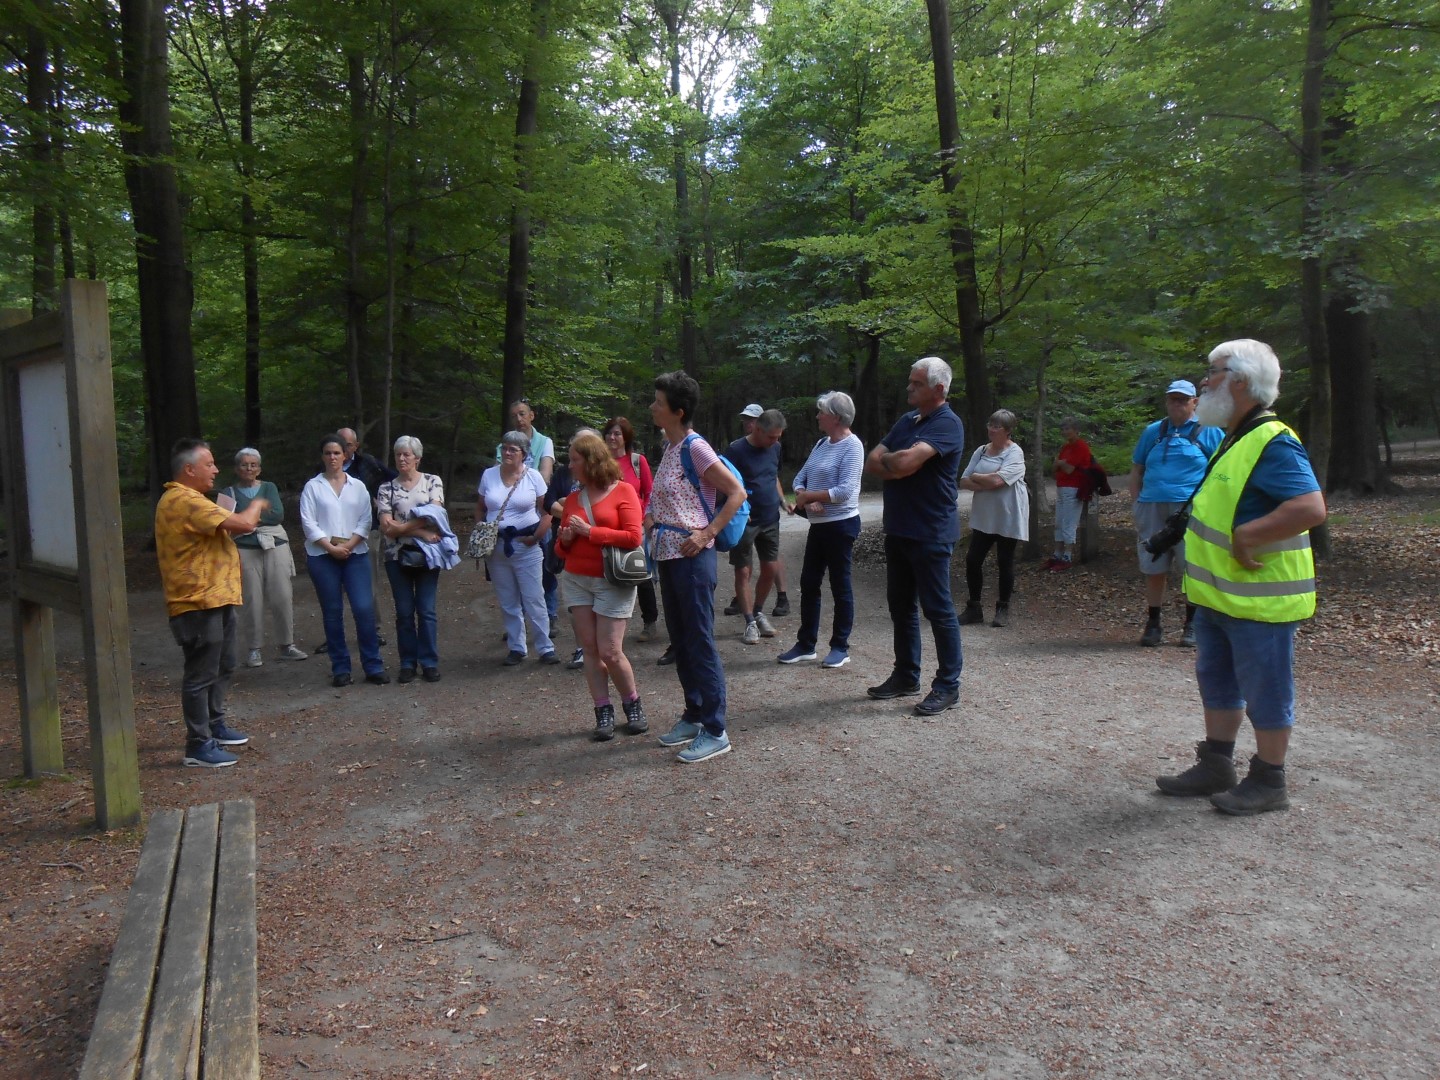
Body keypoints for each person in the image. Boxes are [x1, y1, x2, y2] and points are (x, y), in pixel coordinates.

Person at [1156, 339, 1326, 816]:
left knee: (1266, 690)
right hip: (1219, 598)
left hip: (1259, 602)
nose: (1204, 381)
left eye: (1212, 372)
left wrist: (1248, 535)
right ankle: (1216, 764)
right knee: (1218, 681)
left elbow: (1310, 508)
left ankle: (1270, 781)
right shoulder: (1235, 435)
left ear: (1240, 381)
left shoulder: (1273, 441)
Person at [649, 370, 748, 763]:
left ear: (678, 410)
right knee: (681, 639)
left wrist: (707, 534)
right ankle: (693, 713)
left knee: (700, 639)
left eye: (658, 402)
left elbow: (736, 493)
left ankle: (716, 728)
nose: (652, 407)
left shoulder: (695, 447)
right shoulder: (670, 448)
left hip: (693, 558)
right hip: (669, 556)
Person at [155, 439, 271, 767]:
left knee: (224, 663)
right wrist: (259, 503)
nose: (216, 470)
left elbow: (223, 533)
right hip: (196, 603)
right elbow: (246, 524)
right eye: (209, 464)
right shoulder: (182, 500)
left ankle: (214, 725)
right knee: (200, 673)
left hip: (216, 598)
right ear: (189, 469)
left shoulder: (195, 501)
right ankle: (198, 745)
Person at [863, 357, 967, 716]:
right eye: (910, 381)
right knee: (902, 607)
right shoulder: (908, 421)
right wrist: (899, 462)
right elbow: (873, 461)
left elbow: (900, 463)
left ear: (938, 389)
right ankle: (906, 675)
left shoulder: (948, 424)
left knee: (938, 611)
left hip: (931, 532)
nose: (909, 387)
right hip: (900, 529)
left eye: (917, 383)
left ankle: (948, 686)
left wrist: (896, 463)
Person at [555, 432, 647, 740]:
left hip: (612, 579)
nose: (570, 465)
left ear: (592, 461)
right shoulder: (571, 499)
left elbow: (634, 538)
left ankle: (632, 703)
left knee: (610, 650)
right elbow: (560, 548)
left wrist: (591, 532)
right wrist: (565, 540)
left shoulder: (623, 492)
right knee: (591, 650)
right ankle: (602, 710)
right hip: (576, 580)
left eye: (575, 460)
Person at [1128, 379, 1224, 647]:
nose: (1177, 404)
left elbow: (1220, 472)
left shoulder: (1210, 431)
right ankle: (1153, 622)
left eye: (1183, 399)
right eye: (1173, 399)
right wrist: (1137, 503)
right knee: (1153, 565)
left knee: (1191, 566)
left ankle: (1191, 624)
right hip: (1152, 506)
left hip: (1190, 509)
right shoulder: (1153, 432)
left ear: (1195, 402)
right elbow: (1137, 469)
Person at [776, 391, 864, 668]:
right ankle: (806, 644)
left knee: (840, 585)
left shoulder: (853, 446)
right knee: (809, 583)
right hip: (819, 526)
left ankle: (840, 646)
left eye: (821, 412)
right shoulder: (821, 444)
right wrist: (806, 495)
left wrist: (811, 497)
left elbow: (845, 491)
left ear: (836, 418)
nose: (817, 416)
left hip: (842, 525)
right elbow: (800, 479)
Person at [300, 434, 390, 687]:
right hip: (323, 556)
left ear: (345, 455)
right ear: (322, 457)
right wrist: (330, 548)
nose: (332, 457)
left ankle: (373, 665)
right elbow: (308, 522)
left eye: (337, 453)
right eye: (328, 453)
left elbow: (365, 519)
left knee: (363, 608)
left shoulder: (358, 486)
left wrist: (349, 545)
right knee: (332, 613)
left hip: (355, 554)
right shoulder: (313, 487)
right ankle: (341, 668)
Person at [220, 448, 307, 667]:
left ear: (259, 468)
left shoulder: (269, 487)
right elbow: (224, 520)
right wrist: (252, 518)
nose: (249, 468)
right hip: (244, 549)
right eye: (244, 464)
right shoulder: (227, 493)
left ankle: (286, 645)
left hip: (274, 545)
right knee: (251, 599)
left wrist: (246, 520)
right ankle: (254, 649)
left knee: (282, 595)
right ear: (236, 468)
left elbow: (277, 514)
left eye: (253, 465)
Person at [377, 435, 453, 684]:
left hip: (428, 554)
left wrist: (402, 527)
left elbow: (434, 515)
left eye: (406, 454)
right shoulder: (386, 488)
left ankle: (429, 662)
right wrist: (419, 530)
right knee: (404, 611)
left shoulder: (432, 481)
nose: (401, 459)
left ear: (417, 458)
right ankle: (407, 662)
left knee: (427, 610)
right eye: (398, 454)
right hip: (396, 556)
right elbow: (386, 528)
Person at [479, 430, 557, 665]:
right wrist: (482, 531)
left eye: (513, 449)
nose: (507, 452)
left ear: (524, 454)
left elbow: (547, 511)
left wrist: (537, 536)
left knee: (534, 597)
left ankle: (545, 647)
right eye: (504, 448)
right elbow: (480, 507)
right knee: (508, 599)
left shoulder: (533, 477)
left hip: (527, 546)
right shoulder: (488, 475)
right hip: (497, 547)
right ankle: (516, 647)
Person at [958, 410, 1030, 628]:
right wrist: (986, 479)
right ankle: (974, 608)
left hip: (1008, 514)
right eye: (990, 424)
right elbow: (963, 480)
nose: (992, 429)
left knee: (1005, 561)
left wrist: (979, 478)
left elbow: (999, 482)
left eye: (997, 426)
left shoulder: (1015, 453)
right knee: (973, 559)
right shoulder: (981, 451)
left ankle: (1003, 608)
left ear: (1008, 431)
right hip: (984, 515)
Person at [727, 408, 790, 645]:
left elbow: (773, 476)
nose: (776, 441)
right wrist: (737, 510)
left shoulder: (775, 448)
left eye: (778, 436)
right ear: (757, 429)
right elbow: (726, 482)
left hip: (770, 518)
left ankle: (759, 611)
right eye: (772, 437)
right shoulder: (736, 450)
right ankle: (749, 621)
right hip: (745, 520)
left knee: (770, 568)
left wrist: (783, 501)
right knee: (743, 571)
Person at [604, 417, 663, 644]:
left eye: (617, 434)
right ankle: (612, 622)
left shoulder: (638, 462)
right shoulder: (600, 462)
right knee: (610, 572)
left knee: (640, 572)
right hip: (607, 526)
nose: (612, 437)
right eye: (609, 433)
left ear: (626, 437)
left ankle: (650, 622)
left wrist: (644, 518)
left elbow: (649, 492)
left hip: (635, 526)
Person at [544, 434, 586, 669]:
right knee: (575, 601)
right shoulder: (562, 473)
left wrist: (568, 506)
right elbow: (549, 502)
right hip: (567, 540)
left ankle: (604, 649)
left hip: (598, 549)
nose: (572, 456)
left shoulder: (608, 477)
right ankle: (582, 648)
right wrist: (572, 514)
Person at [1047, 418, 1092, 571]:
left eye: (1068, 429)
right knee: (1059, 522)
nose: (1065, 432)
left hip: (1074, 488)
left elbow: (1069, 469)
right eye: (1064, 429)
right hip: (1061, 487)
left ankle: (1067, 556)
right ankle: (1057, 554)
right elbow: (1054, 469)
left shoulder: (1081, 447)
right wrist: (1059, 463)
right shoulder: (1065, 447)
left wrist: (1060, 463)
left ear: (1076, 430)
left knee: (1069, 523)